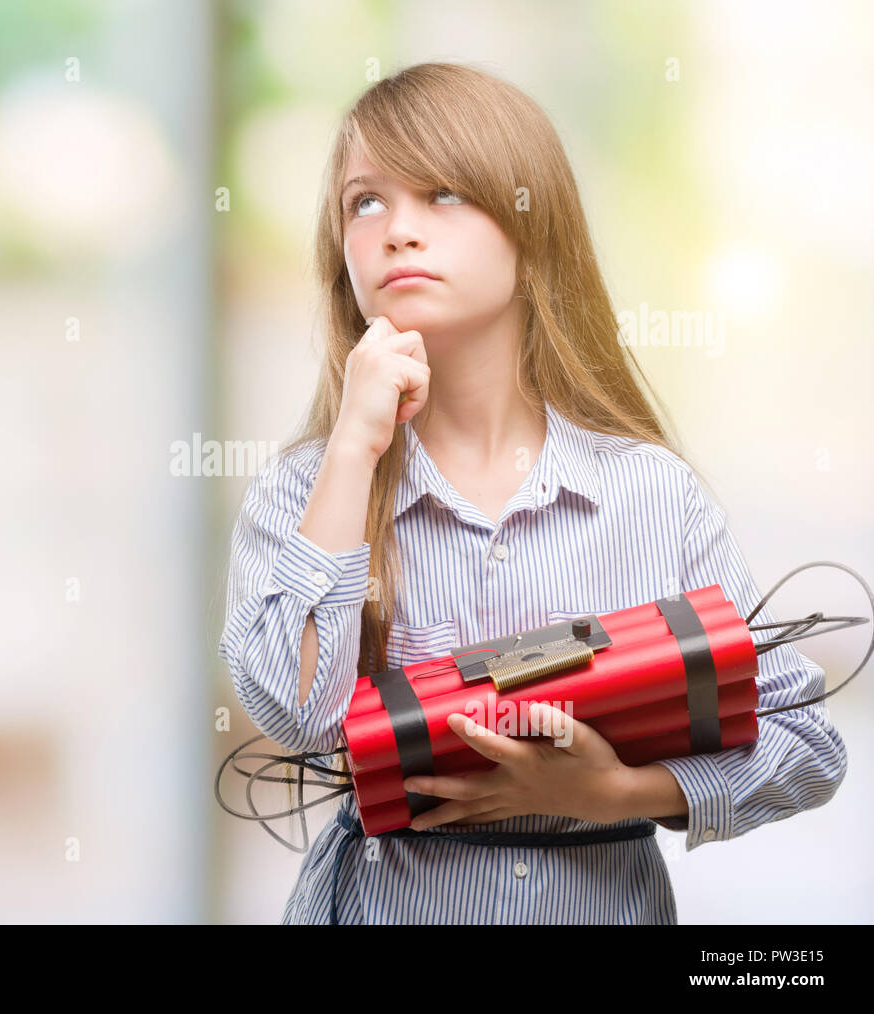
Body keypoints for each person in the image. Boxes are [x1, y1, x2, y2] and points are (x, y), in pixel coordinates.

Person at [215, 62, 847, 924]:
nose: (397, 229)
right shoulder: (309, 486)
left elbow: (805, 741)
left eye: (441, 193)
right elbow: (296, 713)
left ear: (531, 224)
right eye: (365, 202)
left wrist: (620, 792)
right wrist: (356, 449)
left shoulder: (648, 493)